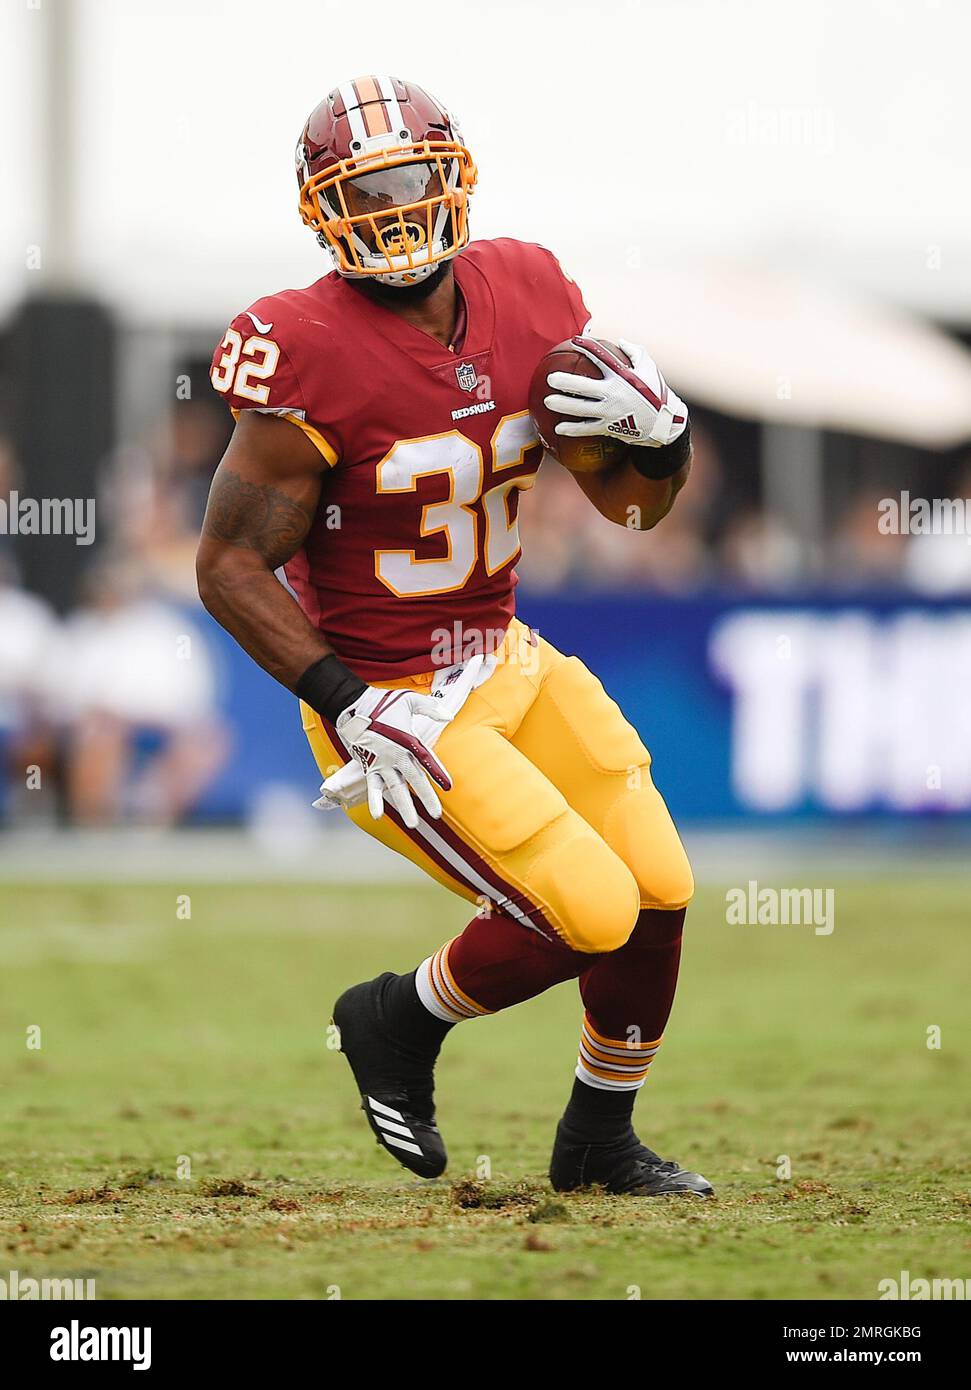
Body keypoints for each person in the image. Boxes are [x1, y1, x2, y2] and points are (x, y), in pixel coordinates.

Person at [197, 76, 710, 1197]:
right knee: (588, 908)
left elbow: (629, 509)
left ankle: (598, 1142)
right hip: (394, 702)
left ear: (453, 177)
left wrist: (659, 451)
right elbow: (225, 565)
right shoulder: (305, 347)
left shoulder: (529, 288)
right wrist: (340, 695)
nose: (389, 211)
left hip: (504, 655)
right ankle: (392, 1018)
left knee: (660, 887)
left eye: (408, 181)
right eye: (361, 191)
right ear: (319, 209)